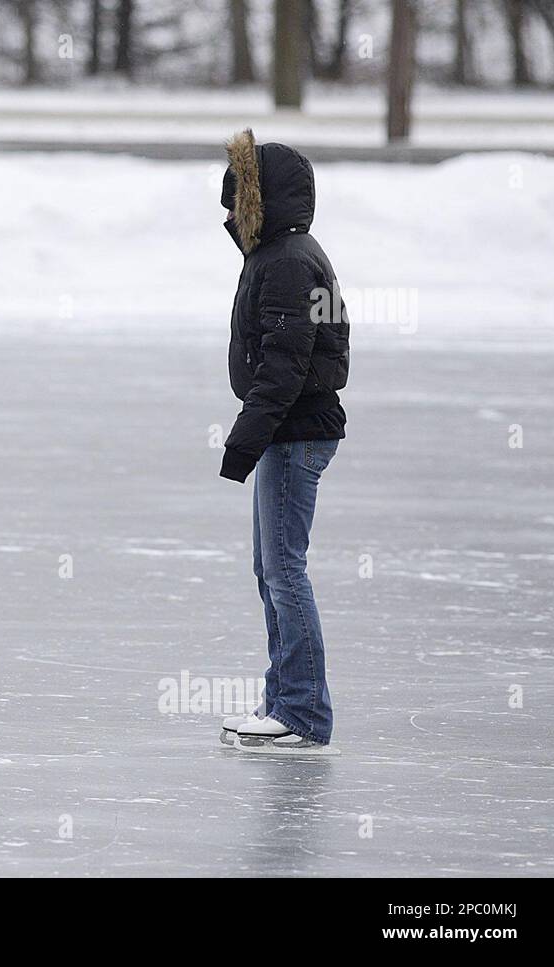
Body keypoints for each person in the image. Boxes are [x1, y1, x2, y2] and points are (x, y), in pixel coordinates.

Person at [215, 129, 350, 753]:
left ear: (262, 198)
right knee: (271, 571)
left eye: (239, 192)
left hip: (294, 436)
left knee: (285, 572)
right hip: (290, 432)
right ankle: (284, 700)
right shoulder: (284, 254)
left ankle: (302, 713)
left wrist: (244, 442)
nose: (228, 205)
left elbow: (286, 364)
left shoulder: (291, 261)